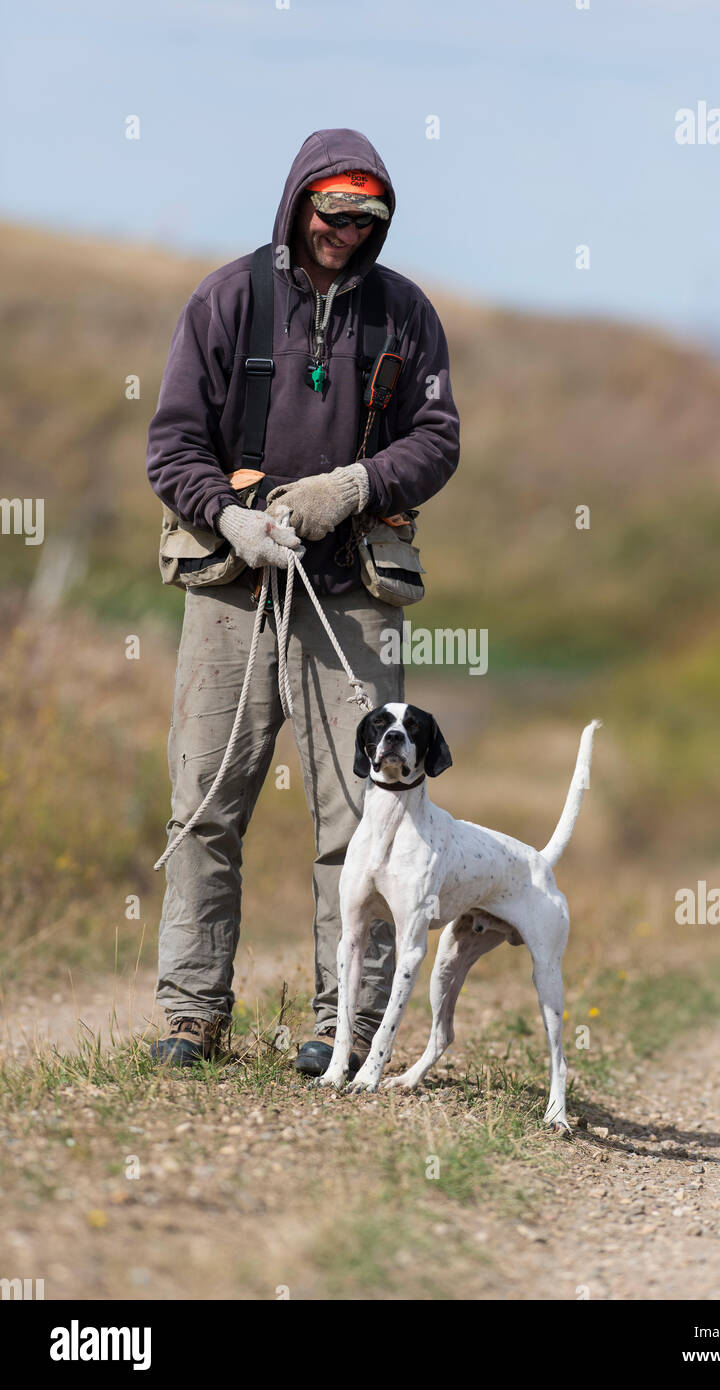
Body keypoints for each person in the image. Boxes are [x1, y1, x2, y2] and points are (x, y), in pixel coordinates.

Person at [145, 127, 460, 1073]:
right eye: (333, 214)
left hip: (352, 596)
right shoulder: (225, 299)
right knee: (204, 811)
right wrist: (229, 518)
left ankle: (348, 1026)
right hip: (233, 592)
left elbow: (437, 439)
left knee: (358, 821)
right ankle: (191, 1016)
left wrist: (351, 489)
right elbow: (170, 447)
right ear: (298, 205)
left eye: (367, 218)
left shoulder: (406, 315)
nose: (347, 233)